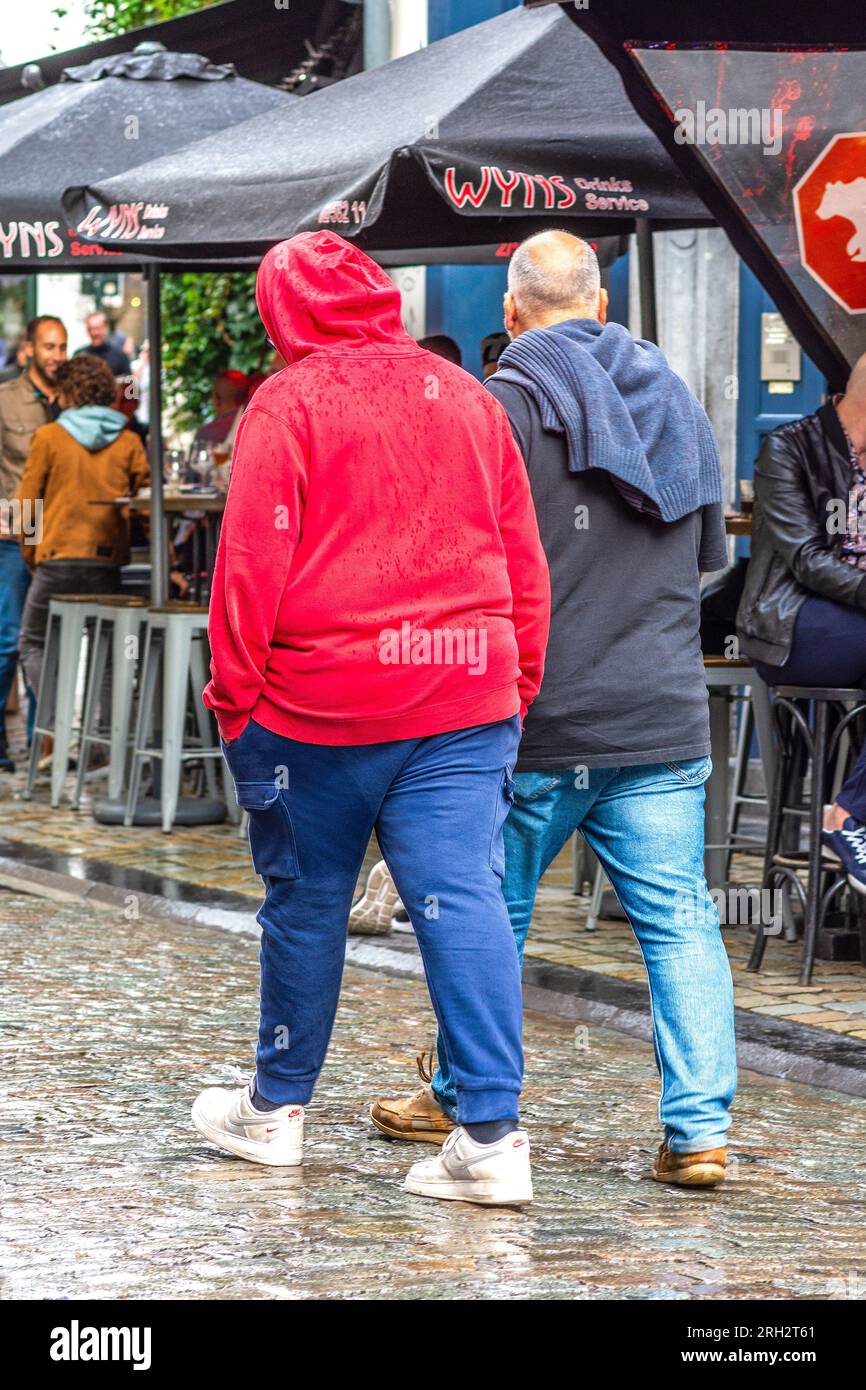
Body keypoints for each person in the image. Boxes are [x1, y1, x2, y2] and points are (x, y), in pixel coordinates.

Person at [373, 230, 736, 1188]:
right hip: (660, 711)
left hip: (537, 714)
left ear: (511, 312)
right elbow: (711, 561)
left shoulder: (503, 406)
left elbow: (449, 559)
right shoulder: (678, 398)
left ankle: (461, 1097)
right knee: (680, 923)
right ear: (603, 305)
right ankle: (698, 1133)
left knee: (491, 915)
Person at [194, 229, 550, 1207]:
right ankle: (489, 1135)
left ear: (282, 316)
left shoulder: (288, 402)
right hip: (464, 690)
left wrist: (234, 700)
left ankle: (274, 1111)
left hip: (321, 704)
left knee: (306, 903)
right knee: (460, 899)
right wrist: (514, 683)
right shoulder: (471, 399)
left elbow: (249, 569)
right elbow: (522, 559)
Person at [737, 353, 866, 891]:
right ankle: (848, 815)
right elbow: (807, 559)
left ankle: (850, 814)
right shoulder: (790, 447)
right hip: (792, 623)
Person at [16, 355, 148, 703]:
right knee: (105, 653)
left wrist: (32, 555)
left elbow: (28, 504)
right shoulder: (129, 441)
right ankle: (102, 743)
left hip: (56, 559)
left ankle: (55, 715)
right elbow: (148, 508)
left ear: (67, 392)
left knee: (32, 642)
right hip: (106, 562)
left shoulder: (48, 437)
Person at [0, 315, 66, 770]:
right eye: (49, 347)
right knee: (8, 640)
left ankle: (41, 744)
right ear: (29, 349)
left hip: (60, 534)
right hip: (17, 529)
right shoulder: (5, 400)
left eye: (62, 347)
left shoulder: (74, 402)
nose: (57, 356)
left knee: (46, 642)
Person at [74, 311, 131, 376]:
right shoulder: (79, 355)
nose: (93, 333)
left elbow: (128, 383)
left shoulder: (120, 356)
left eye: (97, 328)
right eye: (90, 329)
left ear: (106, 328)